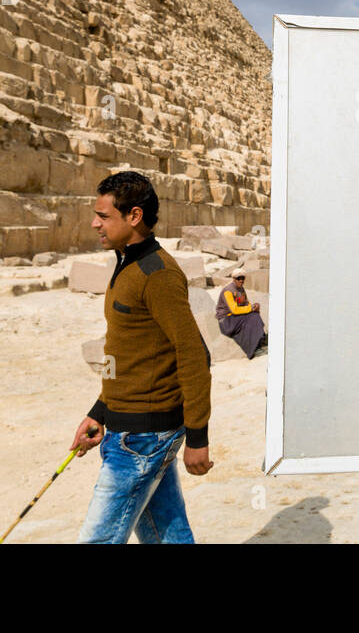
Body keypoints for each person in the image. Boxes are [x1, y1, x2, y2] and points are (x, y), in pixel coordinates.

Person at [70, 171, 213, 543]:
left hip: (144, 436)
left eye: (104, 216)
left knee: (96, 539)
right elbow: (132, 353)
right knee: (165, 535)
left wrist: (198, 437)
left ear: (134, 216)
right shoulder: (126, 263)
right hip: (127, 426)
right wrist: (100, 411)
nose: (94, 222)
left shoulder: (157, 274)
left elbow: (194, 353)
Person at [216, 269, 267, 359]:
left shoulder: (241, 289)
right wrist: (250, 308)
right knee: (252, 318)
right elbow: (234, 310)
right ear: (234, 279)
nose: (241, 280)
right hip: (226, 320)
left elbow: (246, 304)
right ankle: (254, 348)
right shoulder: (228, 291)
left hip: (234, 317)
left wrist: (254, 307)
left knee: (254, 315)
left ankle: (259, 339)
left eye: (242, 278)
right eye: (238, 278)